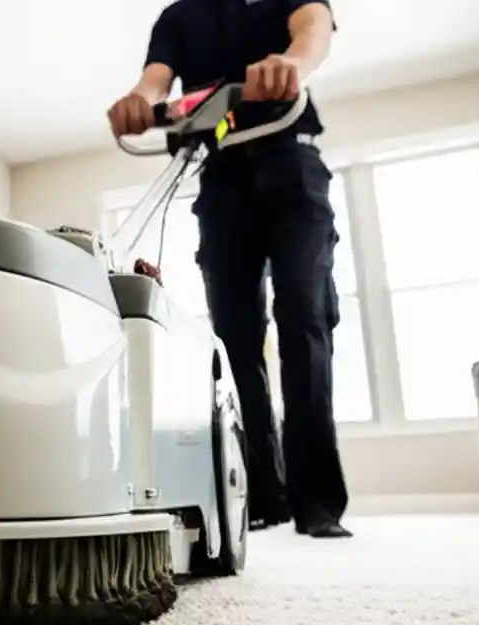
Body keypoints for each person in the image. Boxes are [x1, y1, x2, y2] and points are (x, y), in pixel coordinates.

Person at [108, 0, 351, 538]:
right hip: (221, 179)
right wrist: (140, 102)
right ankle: (262, 494)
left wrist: (290, 64)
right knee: (234, 337)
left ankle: (318, 502)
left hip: (292, 168)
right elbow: (155, 81)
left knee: (304, 313)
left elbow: (312, 33)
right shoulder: (179, 17)